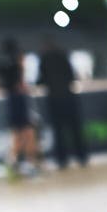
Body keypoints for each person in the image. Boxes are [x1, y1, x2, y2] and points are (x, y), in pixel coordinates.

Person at [38, 37, 88, 169]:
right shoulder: (63, 56)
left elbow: (40, 80)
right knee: (75, 129)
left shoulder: (44, 60)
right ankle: (82, 156)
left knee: (58, 131)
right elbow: (72, 76)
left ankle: (62, 160)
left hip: (54, 100)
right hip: (68, 97)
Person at [0, 38, 40, 177]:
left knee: (18, 134)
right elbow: (21, 84)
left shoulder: (1, 64)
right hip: (19, 100)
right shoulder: (16, 65)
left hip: (12, 100)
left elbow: (1, 83)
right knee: (27, 133)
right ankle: (25, 164)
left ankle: (15, 163)